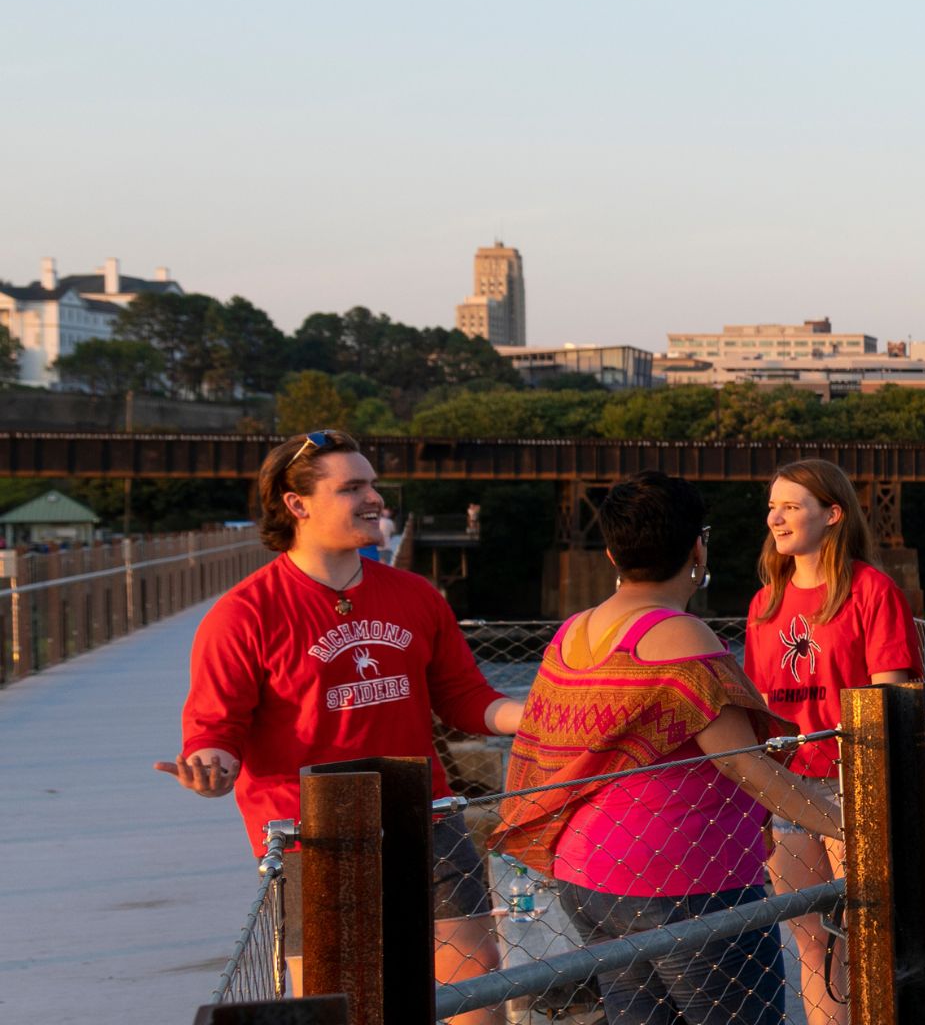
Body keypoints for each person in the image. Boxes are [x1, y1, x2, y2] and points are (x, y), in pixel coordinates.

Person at [168, 429, 521, 1025]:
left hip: (425, 813)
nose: (374, 498)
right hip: (313, 833)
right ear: (297, 504)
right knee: (335, 999)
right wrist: (210, 767)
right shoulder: (243, 614)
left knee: (473, 973)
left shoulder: (416, 595)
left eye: (373, 485)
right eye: (352, 487)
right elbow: (214, 731)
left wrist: (544, 713)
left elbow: (465, 699)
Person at [495, 473, 845, 1025]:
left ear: (612, 551)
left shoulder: (573, 632)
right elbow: (742, 763)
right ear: (697, 546)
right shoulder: (685, 637)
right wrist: (850, 828)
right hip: (687, 880)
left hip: (588, 876)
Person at [739, 460, 920, 1025]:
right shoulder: (764, 603)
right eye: (773, 506)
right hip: (788, 789)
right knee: (812, 946)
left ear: (832, 514)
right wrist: (760, 801)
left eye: (792, 506)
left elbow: (895, 700)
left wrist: (882, 791)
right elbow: (756, 714)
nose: (776, 517)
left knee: (869, 941)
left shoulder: (873, 591)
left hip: (856, 788)